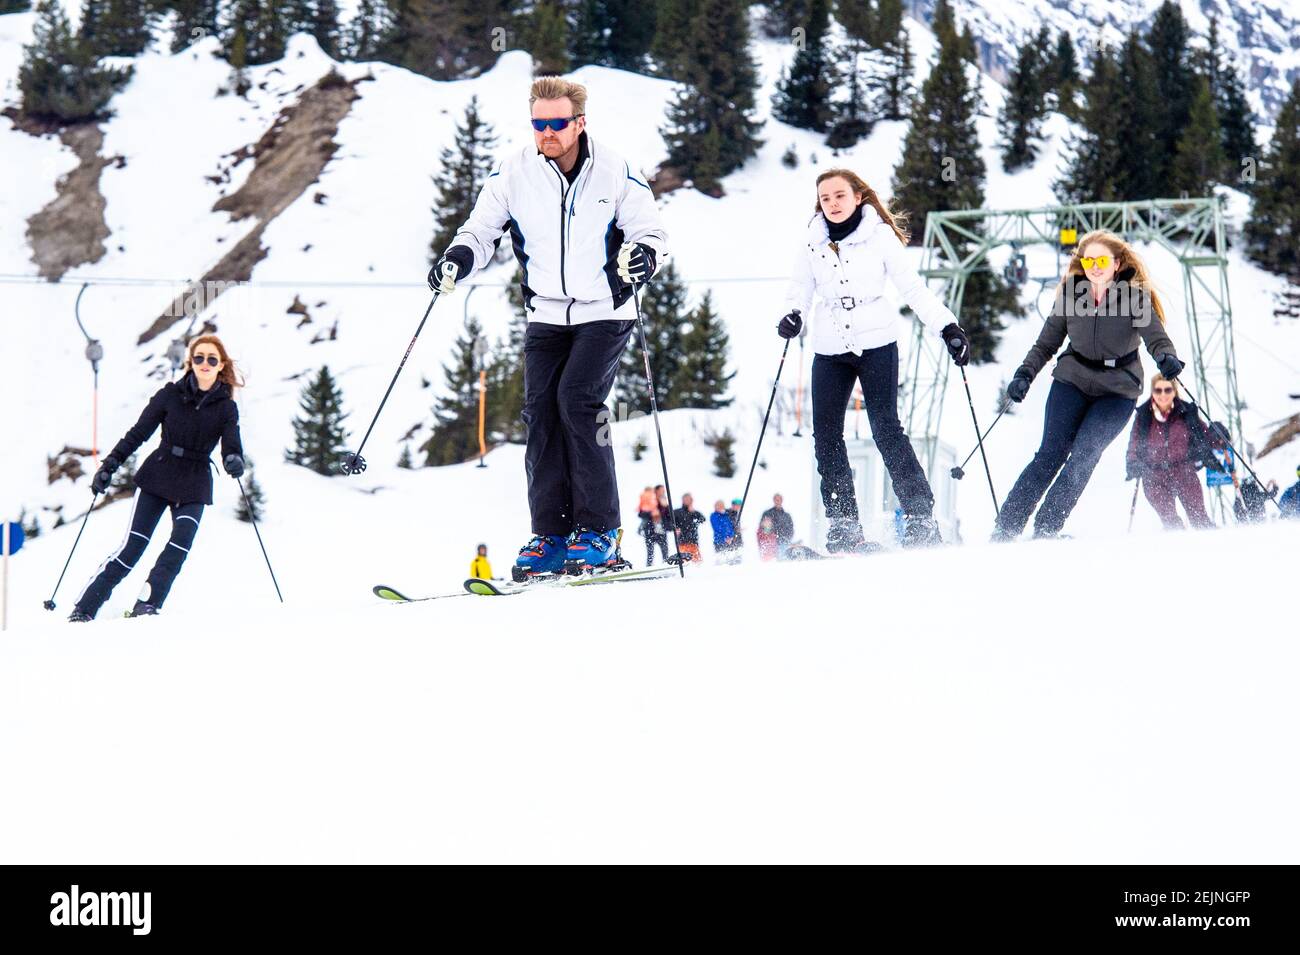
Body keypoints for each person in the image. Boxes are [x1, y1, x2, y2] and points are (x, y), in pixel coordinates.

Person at [429, 76, 668, 576]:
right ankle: (552, 536)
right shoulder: (515, 172)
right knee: (540, 413)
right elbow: (481, 229)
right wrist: (456, 258)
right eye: (539, 124)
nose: (547, 133)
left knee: (577, 402)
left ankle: (600, 530)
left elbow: (652, 230)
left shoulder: (615, 169)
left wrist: (645, 255)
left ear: (580, 123)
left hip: (605, 309)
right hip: (546, 313)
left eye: (557, 123)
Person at [780, 169, 969, 552]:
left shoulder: (878, 236)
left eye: (839, 196)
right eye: (826, 198)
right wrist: (792, 314)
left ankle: (920, 516)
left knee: (886, 428)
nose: (832, 204)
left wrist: (947, 327)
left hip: (878, 342)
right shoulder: (812, 241)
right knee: (827, 435)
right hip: (830, 345)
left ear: (858, 197)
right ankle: (843, 523)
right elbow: (800, 288)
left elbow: (913, 290)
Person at [994, 230, 1185, 540]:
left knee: (1085, 453)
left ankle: (1046, 529)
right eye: (1088, 260)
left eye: (1101, 260)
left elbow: (1155, 336)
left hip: (1117, 390)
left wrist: (1166, 357)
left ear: (1118, 264)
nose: (1094, 266)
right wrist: (1024, 374)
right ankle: (1006, 527)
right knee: (1050, 453)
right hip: (1073, 379)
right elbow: (1046, 343)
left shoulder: (1134, 298)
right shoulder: (1070, 295)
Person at [69, 336, 244, 621]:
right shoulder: (170, 395)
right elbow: (138, 433)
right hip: (158, 476)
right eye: (199, 358)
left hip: (194, 482)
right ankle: (84, 610)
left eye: (212, 359)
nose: (204, 363)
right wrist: (109, 465)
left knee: (180, 543)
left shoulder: (226, 407)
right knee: (132, 547)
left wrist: (234, 460)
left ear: (221, 365)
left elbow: (231, 444)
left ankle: (146, 605)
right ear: (191, 362)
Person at [1125, 374, 1221, 530]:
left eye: (1167, 390)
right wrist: (1132, 462)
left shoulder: (1186, 412)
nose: (1163, 395)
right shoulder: (1144, 416)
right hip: (1154, 477)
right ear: (1152, 392)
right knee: (1171, 523)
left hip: (1184, 472)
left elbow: (1206, 437)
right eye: (1158, 390)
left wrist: (1218, 436)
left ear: (1174, 391)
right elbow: (1134, 444)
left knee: (1200, 520)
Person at [640, 484, 669, 566]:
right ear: (656, 491)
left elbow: (668, 515)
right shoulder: (650, 500)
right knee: (650, 552)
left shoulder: (664, 501)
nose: (663, 492)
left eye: (663, 490)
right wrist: (651, 514)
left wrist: (666, 507)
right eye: (661, 490)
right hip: (650, 530)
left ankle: (666, 565)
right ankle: (649, 567)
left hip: (661, 530)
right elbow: (641, 513)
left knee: (665, 551)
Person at [672, 493, 705, 563]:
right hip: (682, 541)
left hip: (693, 541)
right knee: (685, 562)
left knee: (697, 563)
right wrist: (675, 528)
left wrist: (693, 512)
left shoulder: (694, 512)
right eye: (686, 499)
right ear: (682, 500)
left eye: (689, 499)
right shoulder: (677, 512)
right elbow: (669, 522)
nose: (688, 501)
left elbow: (703, 519)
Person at [760, 493, 794, 558]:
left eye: (779, 499)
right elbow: (762, 528)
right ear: (773, 500)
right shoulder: (768, 513)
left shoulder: (786, 516)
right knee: (770, 562)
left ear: (782, 500)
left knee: (782, 560)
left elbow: (791, 529)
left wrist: (787, 538)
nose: (777, 501)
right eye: (776, 499)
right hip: (770, 543)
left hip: (783, 543)